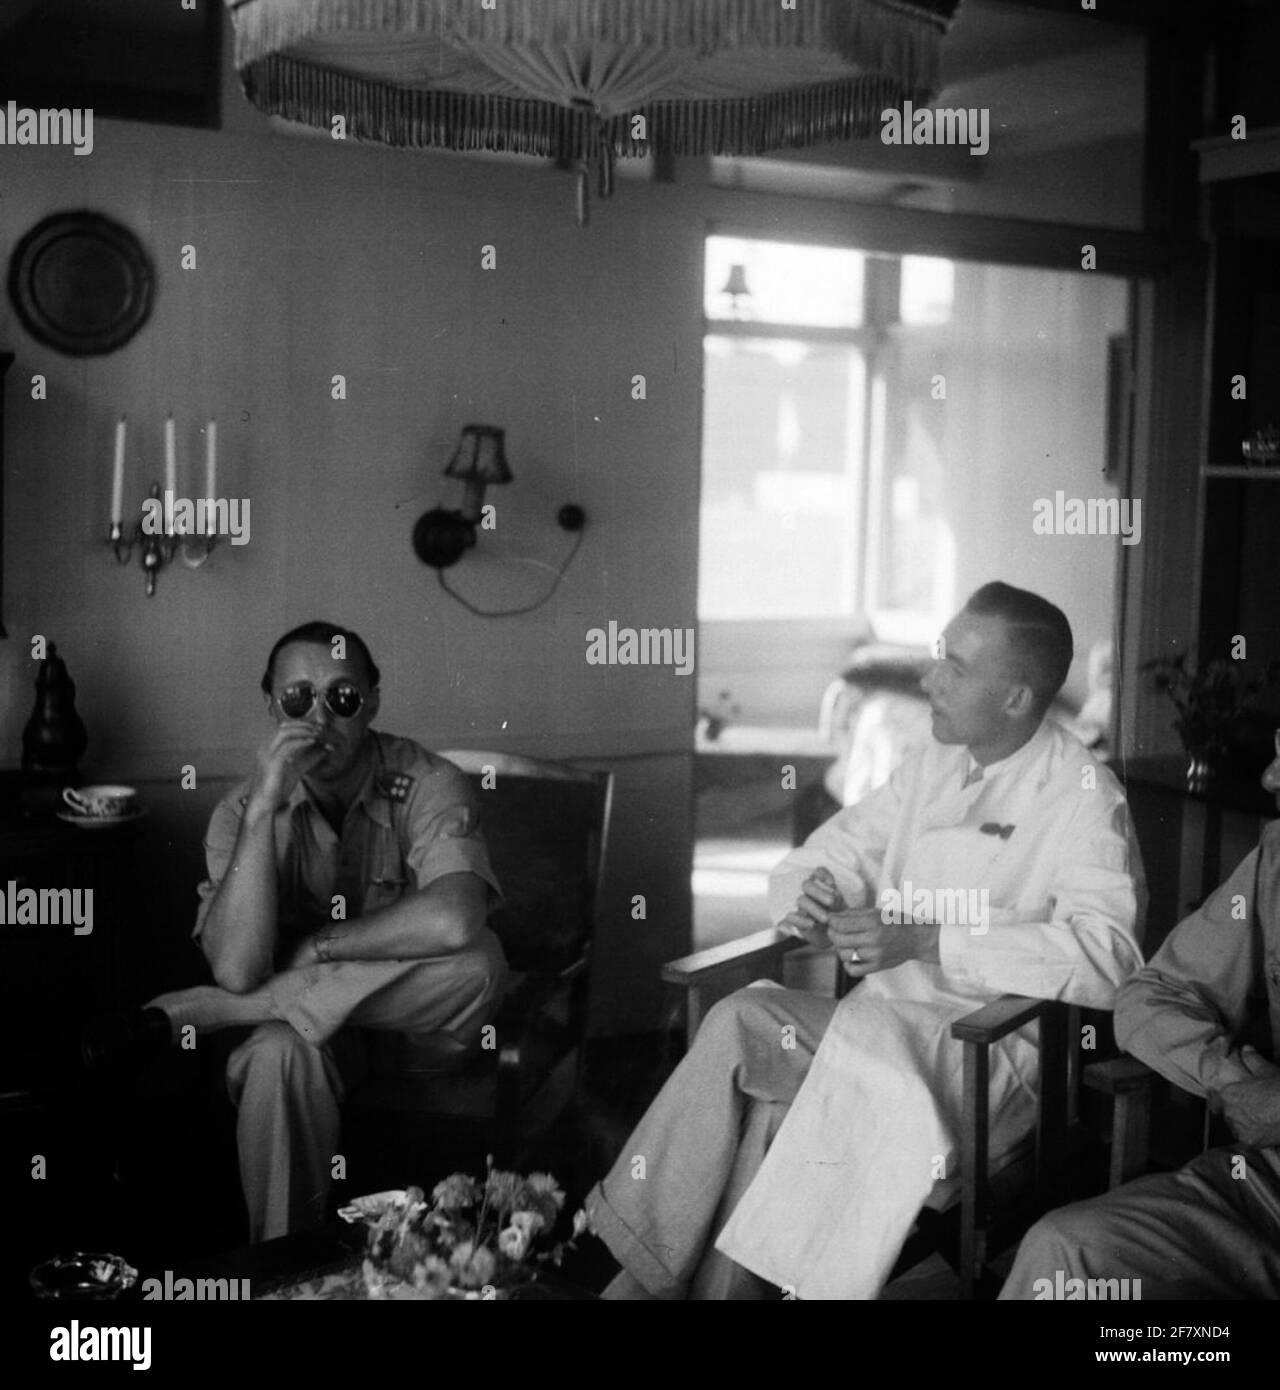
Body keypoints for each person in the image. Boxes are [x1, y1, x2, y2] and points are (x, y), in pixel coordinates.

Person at [585, 582, 1145, 1299]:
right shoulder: (933, 766)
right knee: (757, 1063)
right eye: (939, 656)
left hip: (984, 1056)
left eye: (957, 668)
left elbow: (1111, 958)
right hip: (875, 1036)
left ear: (1015, 699)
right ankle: (656, 1279)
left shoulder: (1084, 796)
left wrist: (931, 939)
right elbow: (820, 858)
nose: (927, 679)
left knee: (756, 1059)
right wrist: (814, 893)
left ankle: (634, 1284)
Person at [86, 621, 506, 1241]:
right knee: (275, 1055)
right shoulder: (240, 811)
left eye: (341, 698)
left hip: (415, 1036)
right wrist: (264, 809)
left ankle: (209, 1013)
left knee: (479, 964)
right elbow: (234, 967)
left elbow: (453, 918)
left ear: (372, 703)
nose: (320, 719)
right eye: (297, 699)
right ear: (271, 706)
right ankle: (286, 1272)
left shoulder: (427, 780)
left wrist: (319, 946)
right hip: (312, 1042)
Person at [999, 730, 1280, 1300]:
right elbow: (1151, 993)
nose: (1271, 779)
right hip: (1267, 1190)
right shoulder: (1276, 860)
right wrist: (1233, 1077)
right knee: (1065, 1253)